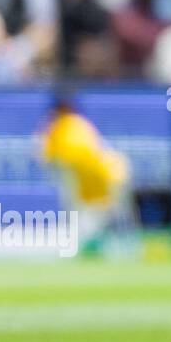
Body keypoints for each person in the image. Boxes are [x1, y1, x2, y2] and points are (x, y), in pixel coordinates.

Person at [39, 92, 135, 250]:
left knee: (107, 210)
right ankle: (117, 243)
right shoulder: (66, 125)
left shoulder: (69, 125)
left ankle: (121, 243)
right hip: (100, 175)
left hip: (100, 176)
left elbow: (49, 155)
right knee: (105, 210)